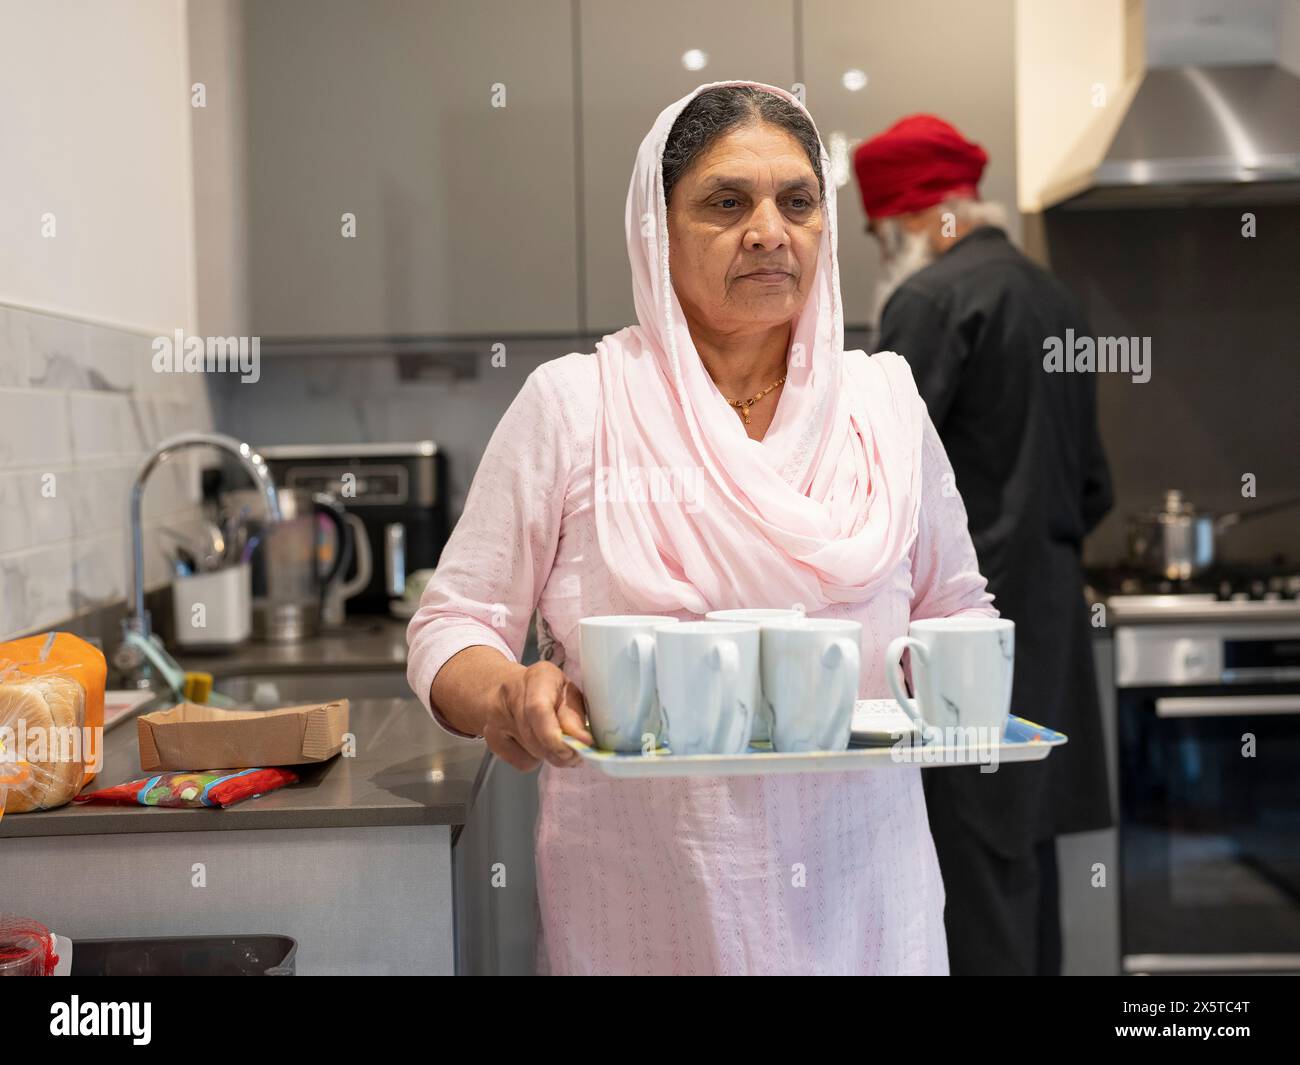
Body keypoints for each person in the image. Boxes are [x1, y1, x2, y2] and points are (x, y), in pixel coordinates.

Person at [407, 82, 998, 975]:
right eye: (727, 203)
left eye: (798, 202)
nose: (770, 229)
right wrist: (507, 695)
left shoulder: (882, 404)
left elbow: (954, 601)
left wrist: (956, 692)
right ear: (658, 227)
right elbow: (451, 624)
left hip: (867, 900)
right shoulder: (579, 405)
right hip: (648, 903)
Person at [853, 114, 1115, 975]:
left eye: (875, 230)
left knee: (970, 891)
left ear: (907, 219)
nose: (879, 249)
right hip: (1049, 625)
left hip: (961, 649)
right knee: (1024, 873)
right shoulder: (1054, 294)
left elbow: (875, 489)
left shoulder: (928, 302)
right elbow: (1095, 486)